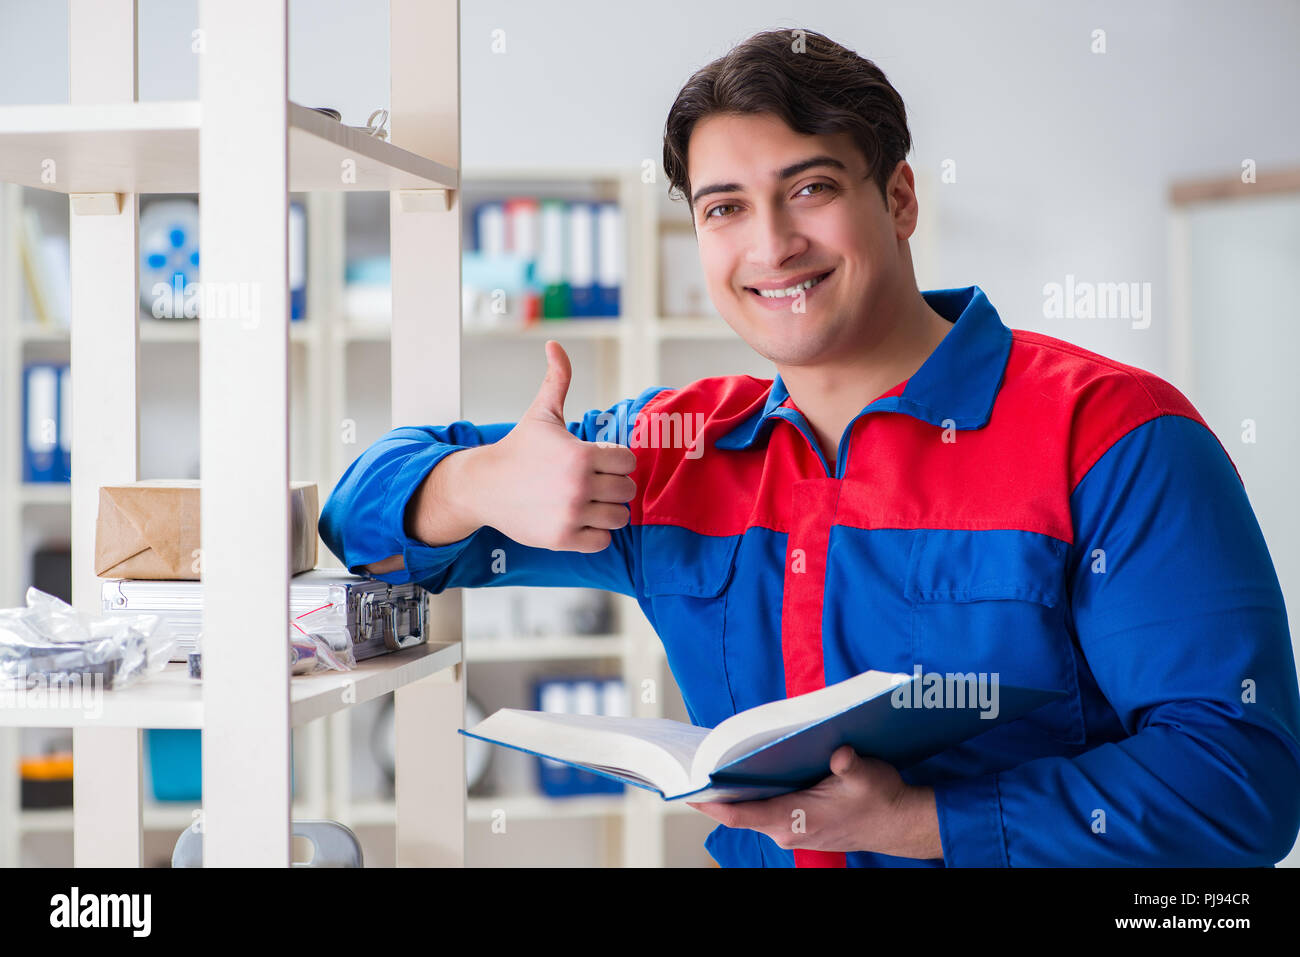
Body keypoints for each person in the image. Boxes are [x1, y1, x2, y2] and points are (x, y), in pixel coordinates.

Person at [319, 28, 1300, 867]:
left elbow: (1238, 779)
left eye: (811, 187)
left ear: (901, 199)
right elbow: (357, 522)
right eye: (724, 208)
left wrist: (927, 824)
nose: (771, 244)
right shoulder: (669, 451)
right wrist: (477, 480)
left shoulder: (1112, 438)